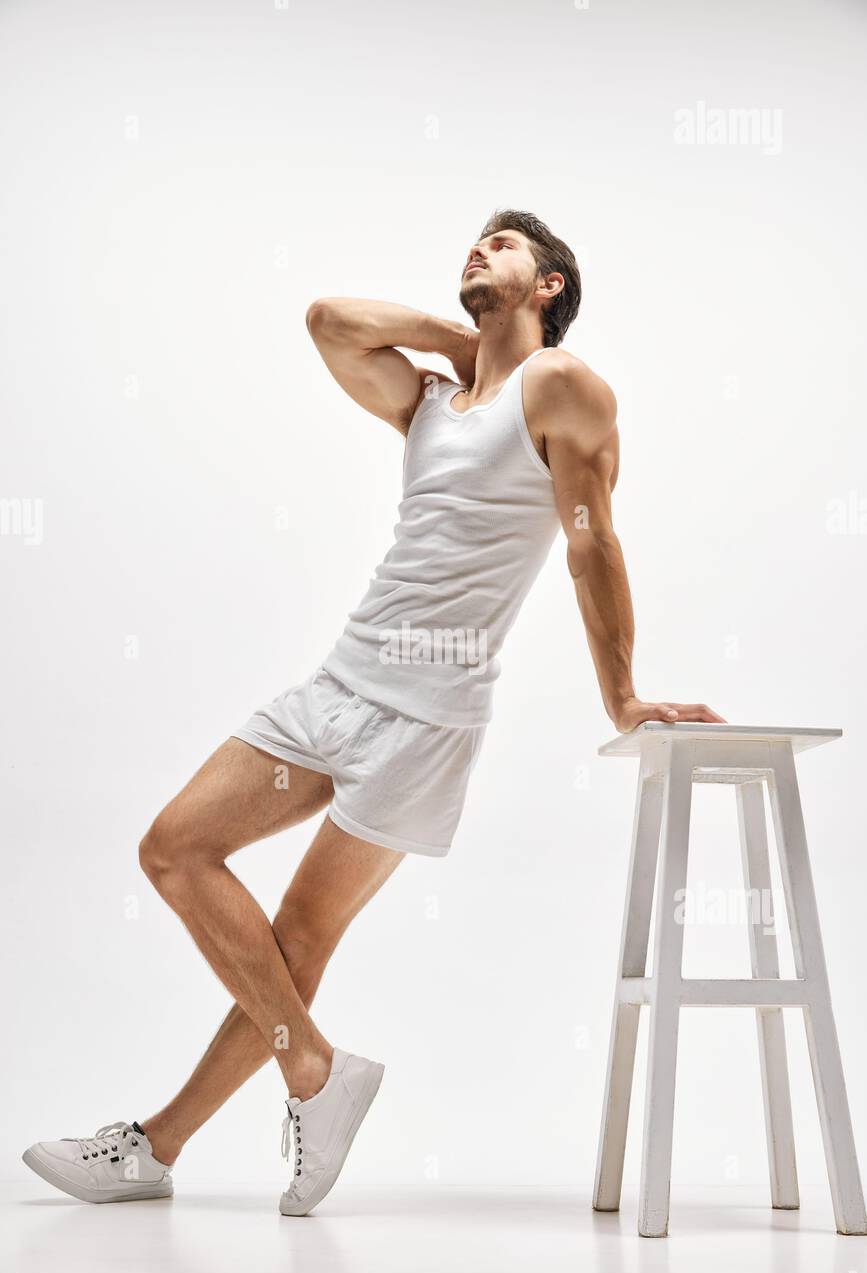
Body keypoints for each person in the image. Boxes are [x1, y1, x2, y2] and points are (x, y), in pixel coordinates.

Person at [22, 209, 725, 1216]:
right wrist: (459, 340)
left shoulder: (561, 388)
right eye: (474, 241)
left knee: (300, 935)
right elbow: (328, 321)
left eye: (506, 245)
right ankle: (313, 1069)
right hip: (340, 685)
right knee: (176, 850)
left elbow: (589, 541)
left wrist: (622, 692)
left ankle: (156, 1146)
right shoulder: (430, 402)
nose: (479, 250)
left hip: (428, 716)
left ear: (550, 287)